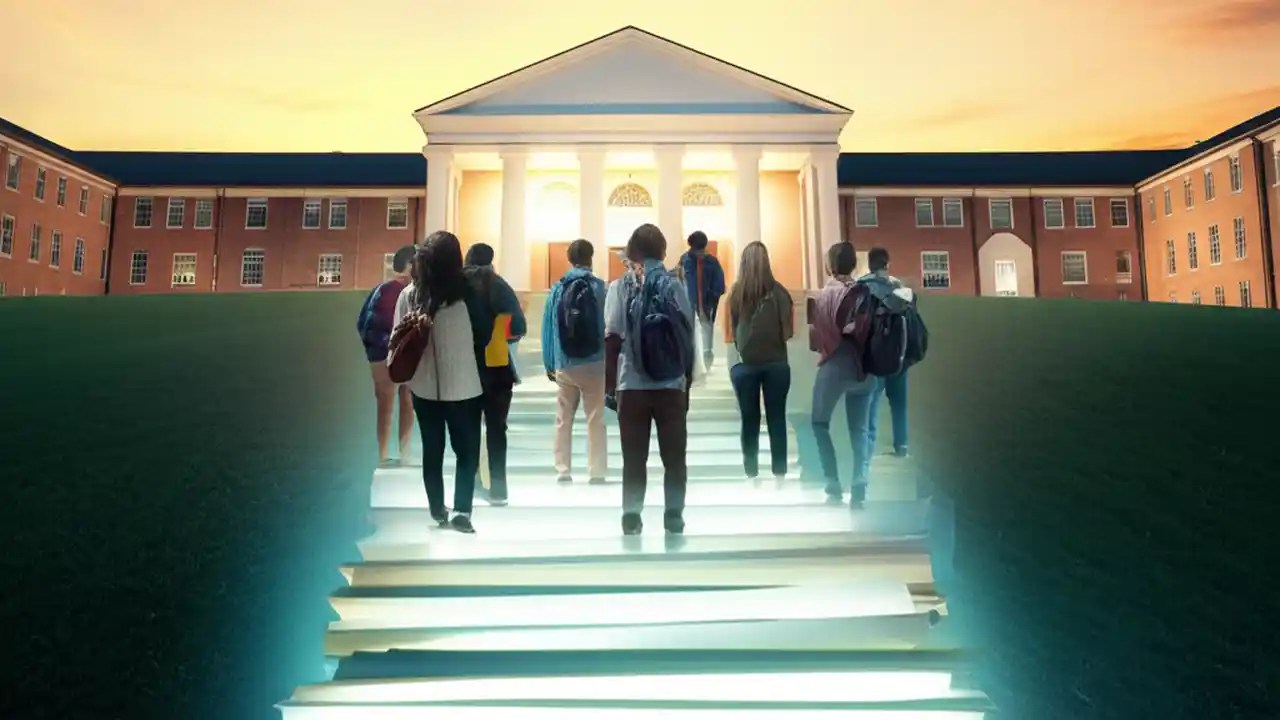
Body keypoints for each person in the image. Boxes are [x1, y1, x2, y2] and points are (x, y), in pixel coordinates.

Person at [605, 224, 695, 535]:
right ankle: (674, 516)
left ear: (633, 251)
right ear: (662, 251)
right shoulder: (674, 286)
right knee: (674, 457)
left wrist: (609, 388)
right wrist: (687, 382)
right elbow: (688, 336)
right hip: (671, 385)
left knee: (634, 458)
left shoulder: (620, 287)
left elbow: (612, 338)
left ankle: (631, 517)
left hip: (631, 387)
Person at [392, 232, 484, 533]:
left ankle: (436, 508)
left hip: (423, 385)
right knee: (466, 452)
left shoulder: (410, 295)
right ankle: (462, 511)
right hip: (465, 385)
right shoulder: (467, 294)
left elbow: (396, 337)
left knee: (432, 450)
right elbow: (482, 335)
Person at [809, 242, 882, 506]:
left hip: (833, 366)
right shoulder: (865, 293)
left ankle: (832, 482)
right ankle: (859, 480)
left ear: (829, 265)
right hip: (863, 368)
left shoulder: (821, 297)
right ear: (854, 265)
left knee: (819, 423)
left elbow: (815, 341)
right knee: (859, 429)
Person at [462, 243, 527, 506]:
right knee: (497, 429)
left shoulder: (457, 287)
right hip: (497, 367)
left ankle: (470, 483)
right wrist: (500, 334)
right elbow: (519, 327)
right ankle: (498, 488)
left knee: (468, 427)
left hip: (465, 367)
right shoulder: (499, 286)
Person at [542, 239, 609, 485]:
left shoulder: (558, 289)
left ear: (569, 259)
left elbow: (548, 328)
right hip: (595, 362)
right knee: (595, 418)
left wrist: (550, 362)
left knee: (563, 418)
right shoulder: (601, 288)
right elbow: (610, 326)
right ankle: (597, 471)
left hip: (566, 361)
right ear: (591, 257)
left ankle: (563, 469)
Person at [726, 241, 794, 481]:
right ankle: (779, 473)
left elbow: (731, 333)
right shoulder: (780, 293)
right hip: (777, 363)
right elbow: (788, 332)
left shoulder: (735, 294)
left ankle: (751, 473)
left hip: (745, 365)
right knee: (777, 418)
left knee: (749, 419)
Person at [357, 245, 418, 467]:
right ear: (410, 266)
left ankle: (388, 454)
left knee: (392, 404)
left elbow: (363, 324)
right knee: (399, 402)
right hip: (391, 354)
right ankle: (398, 453)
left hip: (385, 354)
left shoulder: (383, 290)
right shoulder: (397, 292)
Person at [859, 247, 909, 458]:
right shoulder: (899, 288)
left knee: (871, 402)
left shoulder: (861, 287)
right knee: (899, 403)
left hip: (874, 355)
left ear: (869, 264)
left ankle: (868, 446)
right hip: (898, 354)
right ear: (887, 264)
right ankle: (902, 445)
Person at [678, 231, 726, 372]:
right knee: (689, 340)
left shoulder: (712, 262)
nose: (699, 253)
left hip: (706, 307)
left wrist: (711, 299)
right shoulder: (685, 261)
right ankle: (690, 368)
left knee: (706, 343)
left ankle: (707, 365)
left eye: (701, 250)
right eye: (696, 250)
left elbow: (720, 285)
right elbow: (678, 281)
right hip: (687, 307)